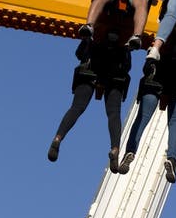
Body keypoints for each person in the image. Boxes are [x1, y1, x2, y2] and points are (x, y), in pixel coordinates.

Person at [47, 38, 132, 173]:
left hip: (90, 71)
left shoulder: (96, 31)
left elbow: (79, 54)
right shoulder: (125, 36)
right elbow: (127, 65)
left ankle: (58, 137)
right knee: (114, 113)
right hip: (115, 75)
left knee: (76, 108)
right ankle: (115, 148)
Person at [118, 43, 176, 182]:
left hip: (156, 80)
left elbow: (147, 66)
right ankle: (172, 158)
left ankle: (130, 151)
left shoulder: (160, 40)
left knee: (142, 118)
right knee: (175, 122)